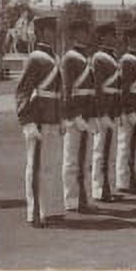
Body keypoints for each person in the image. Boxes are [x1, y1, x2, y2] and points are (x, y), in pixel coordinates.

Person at [14, 15, 64, 227]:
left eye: (54, 29)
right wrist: (28, 122)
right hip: (39, 119)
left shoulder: (55, 57)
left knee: (50, 166)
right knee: (35, 167)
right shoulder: (35, 58)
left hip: (53, 118)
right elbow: (22, 91)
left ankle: (49, 210)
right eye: (49, 30)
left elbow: (59, 92)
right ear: (40, 33)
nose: (53, 34)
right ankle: (34, 213)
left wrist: (61, 118)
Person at [60, 18, 97, 213]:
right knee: (72, 159)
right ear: (75, 34)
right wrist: (74, 116)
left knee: (86, 160)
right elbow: (66, 90)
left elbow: (92, 90)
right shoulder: (70, 58)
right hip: (75, 116)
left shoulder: (86, 57)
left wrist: (93, 116)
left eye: (87, 31)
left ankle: (86, 198)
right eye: (83, 32)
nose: (87, 35)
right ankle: (72, 199)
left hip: (88, 115)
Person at [90, 22, 123, 203]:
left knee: (110, 151)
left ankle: (109, 186)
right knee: (100, 149)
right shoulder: (99, 58)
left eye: (114, 35)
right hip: (104, 109)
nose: (114, 38)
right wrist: (101, 112)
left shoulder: (112, 57)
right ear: (102, 37)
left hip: (113, 108)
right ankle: (99, 188)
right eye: (110, 35)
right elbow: (98, 87)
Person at [114, 24, 136, 194]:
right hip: (129, 109)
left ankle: (135, 180)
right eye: (134, 38)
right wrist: (128, 109)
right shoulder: (126, 60)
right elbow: (125, 87)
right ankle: (123, 181)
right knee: (125, 145)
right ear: (127, 40)